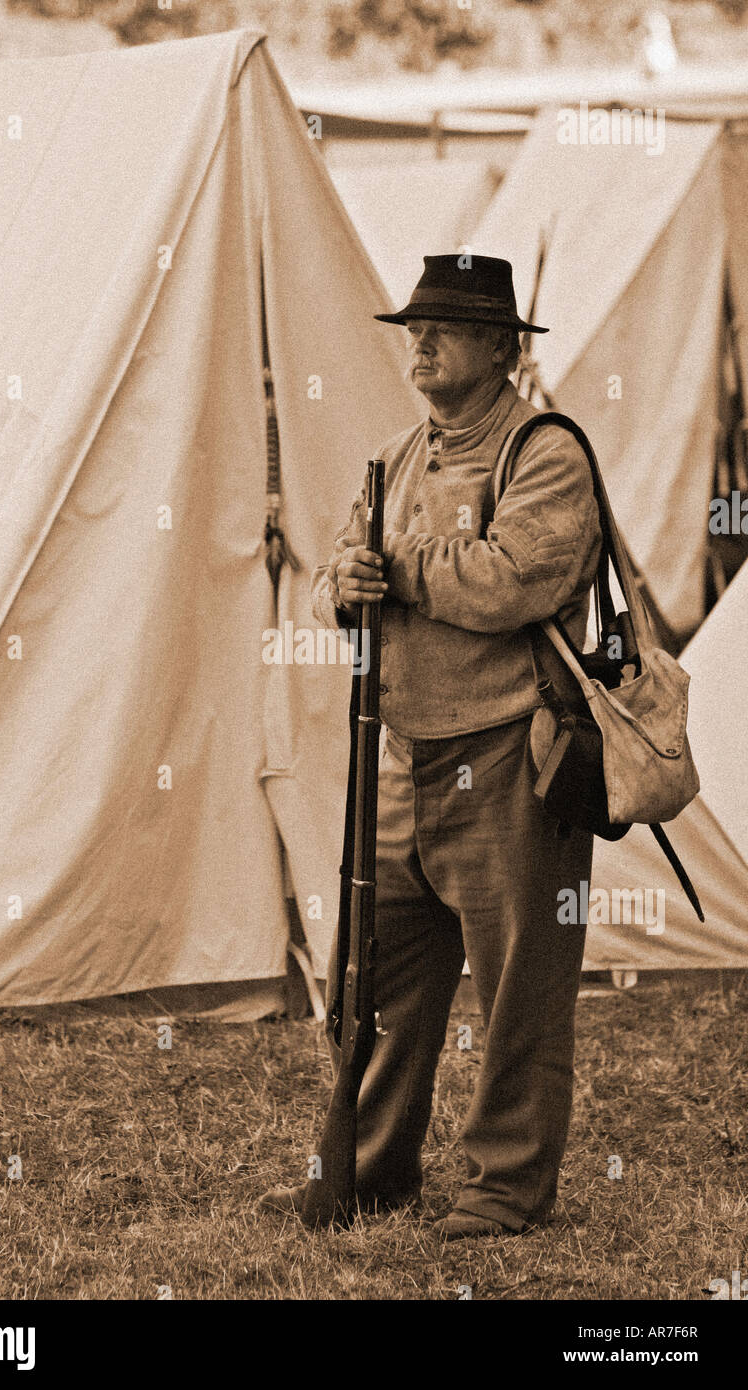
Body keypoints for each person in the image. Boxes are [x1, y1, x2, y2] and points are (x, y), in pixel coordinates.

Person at [258, 254, 601, 1238]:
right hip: (407, 758)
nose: (422, 341)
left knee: (514, 995)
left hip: (508, 758)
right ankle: (369, 1169)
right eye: (415, 326)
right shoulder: (404, 455)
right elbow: (336, 580)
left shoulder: (544, 453)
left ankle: (506, 1191)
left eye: (445, 327)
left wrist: (395, 570)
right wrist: (347, 586)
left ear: (500, 348)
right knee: (380, 981)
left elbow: (515, 579)